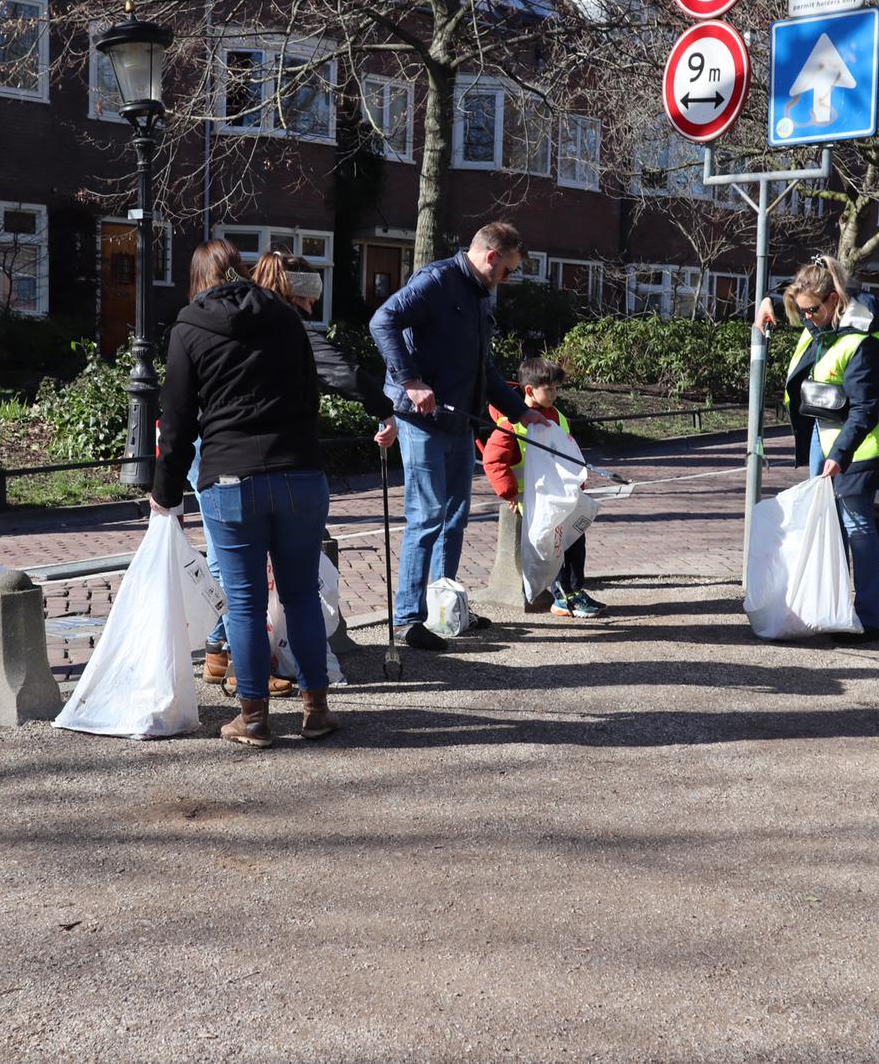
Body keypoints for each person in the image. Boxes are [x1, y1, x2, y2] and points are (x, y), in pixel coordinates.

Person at [151, 240, 334, 748]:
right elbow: (310, 396)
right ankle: (316, 710)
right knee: (301, 595)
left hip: (230, 477)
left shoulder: (188, 328)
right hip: (299, 470)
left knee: (245, 604)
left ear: (198, 279)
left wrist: (165, 491)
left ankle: (253, 719)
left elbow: (177, 422)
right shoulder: (286, 317)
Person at [369, 221, 544, 651]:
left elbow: (484, 369)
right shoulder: (436, 281)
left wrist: (523, 413)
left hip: (459, 422)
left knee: (454, 517)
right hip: (422, 422)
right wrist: (410, 381)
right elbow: (382, 320)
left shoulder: (480, 295)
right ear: (491, 256)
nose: (508, 278)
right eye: (508, 269)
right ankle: (407, 619)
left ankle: (444, 607)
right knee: (427, 516)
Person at [754, 253, 879, 643]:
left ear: (834, 299)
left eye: (812, 311)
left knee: (857, 526)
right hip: (826, 433)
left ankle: (867, 620)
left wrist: (840, 454)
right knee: (830, 525)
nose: (807, 319)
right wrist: (768, 301)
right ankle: (833, 609)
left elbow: (865, 408)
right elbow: (796, 294)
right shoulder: (822, 315)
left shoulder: (863, 337)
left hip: (861, 444)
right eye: (801, 312)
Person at [481, 357, 605, 618]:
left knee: (575, 540)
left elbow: (569, 453)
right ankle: (562, 596)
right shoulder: (512, 423)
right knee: (553, 546)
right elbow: (493, 460)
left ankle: (575, 590)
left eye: (557, 388)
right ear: (530, 390)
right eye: (549, 389)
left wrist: (578, 483)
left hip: (561, 496)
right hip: (532, 499)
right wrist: (509, 493)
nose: (555, 394)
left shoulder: (558, 417)